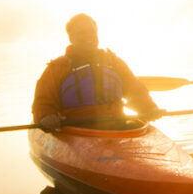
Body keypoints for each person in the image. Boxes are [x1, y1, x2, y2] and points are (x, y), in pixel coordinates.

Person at [32, 13, 161, 132]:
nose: (89, 36)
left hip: (117, 126)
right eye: (82, 33)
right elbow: (43, 101)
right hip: (76, 130)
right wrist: (46, 116)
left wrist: (149, 108)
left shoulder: (113, 62)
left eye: (92, 32)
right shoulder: (58, 67)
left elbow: (135, 90)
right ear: (71, 37)